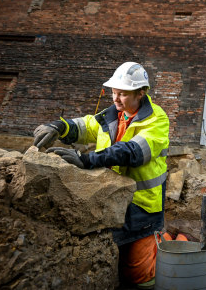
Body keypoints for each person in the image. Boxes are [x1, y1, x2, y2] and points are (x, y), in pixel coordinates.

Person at [32, 62, 169, 290]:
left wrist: (87, 160)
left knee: (140, 276)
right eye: (114, 92)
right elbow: (87, 126)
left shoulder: (157, 120)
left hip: (142, 205)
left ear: (141, 93)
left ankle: (172, 244)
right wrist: (59, 126)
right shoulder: (115, 114)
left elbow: (131, 151)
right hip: (112, 198)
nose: (115, 99)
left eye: (122, 94)